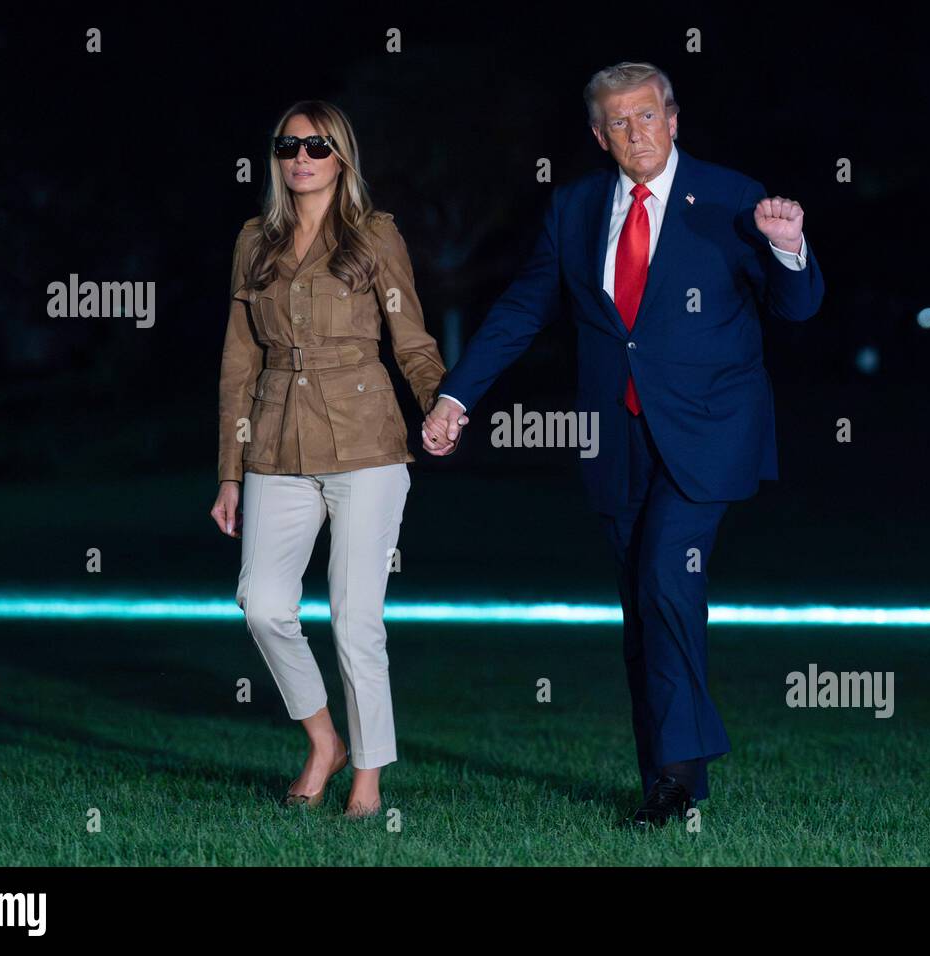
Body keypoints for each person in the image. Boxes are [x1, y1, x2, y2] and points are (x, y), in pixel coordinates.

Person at [422, 62, 825, 827]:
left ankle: (678, 777)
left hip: (707, 435)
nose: (636, 132)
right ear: (598, 135)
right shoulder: (574, 209)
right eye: (618, 121)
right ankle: (669, 787)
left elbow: (796, 308)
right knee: (642, 615)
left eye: (648, 116)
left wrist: (790, 246)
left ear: (674, 120)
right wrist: (456, 394)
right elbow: (521, 310)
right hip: (614, 439)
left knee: (667, 583)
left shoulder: (734, 199)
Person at [210, 100, 446, 817]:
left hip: (367, 443)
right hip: (276, 444)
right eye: (288, 146)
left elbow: (411, 339)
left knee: (354, 619)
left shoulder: (375, 236)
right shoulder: (254, 239)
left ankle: (368, 777)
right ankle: (324, 740)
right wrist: (228, 472)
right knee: (263, 604)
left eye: (316, 146)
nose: (301, 157)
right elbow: (238, 362)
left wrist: (439, 402)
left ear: (340, 156)